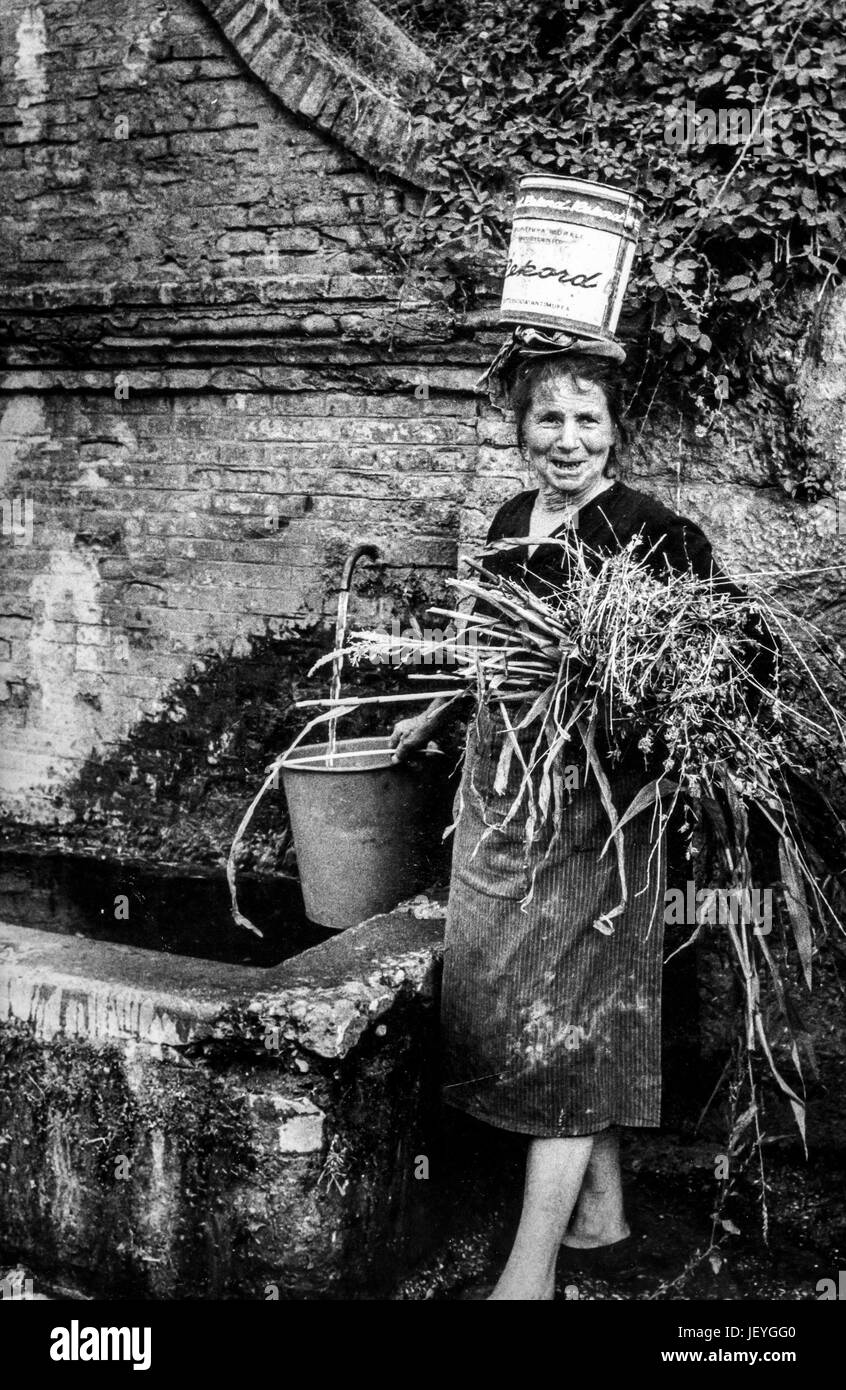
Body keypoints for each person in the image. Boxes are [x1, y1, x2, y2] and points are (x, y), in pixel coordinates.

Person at [390, 348, 760, 1300]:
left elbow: (704, 678)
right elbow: (490, 654)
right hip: (505, 798)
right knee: (531, 1007)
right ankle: (602, 1220)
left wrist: (622, 694)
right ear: (521, 433)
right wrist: (438, 711)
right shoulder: (510, 522)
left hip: (596, 812)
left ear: (616, 433)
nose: (568, 441)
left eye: (587, 421)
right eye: (548, 421)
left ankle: (528, 1275)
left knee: (564, 1020)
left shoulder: (654, 534)